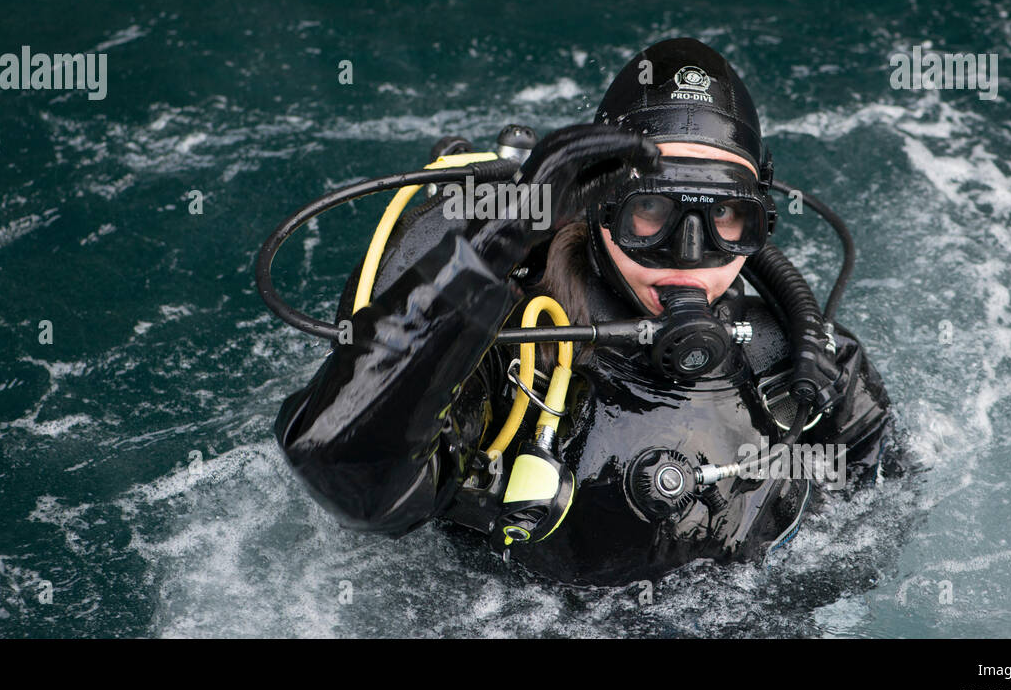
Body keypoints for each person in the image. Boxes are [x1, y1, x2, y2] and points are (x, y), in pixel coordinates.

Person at [275, 38, 894, 586]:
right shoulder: (511, 354)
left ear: (759, 221)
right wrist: (499, 241)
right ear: (601, 204)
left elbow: (879, 518)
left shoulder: (807, 364)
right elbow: (346, 476)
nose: (688, 259)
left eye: (726, 219)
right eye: (651, 213)